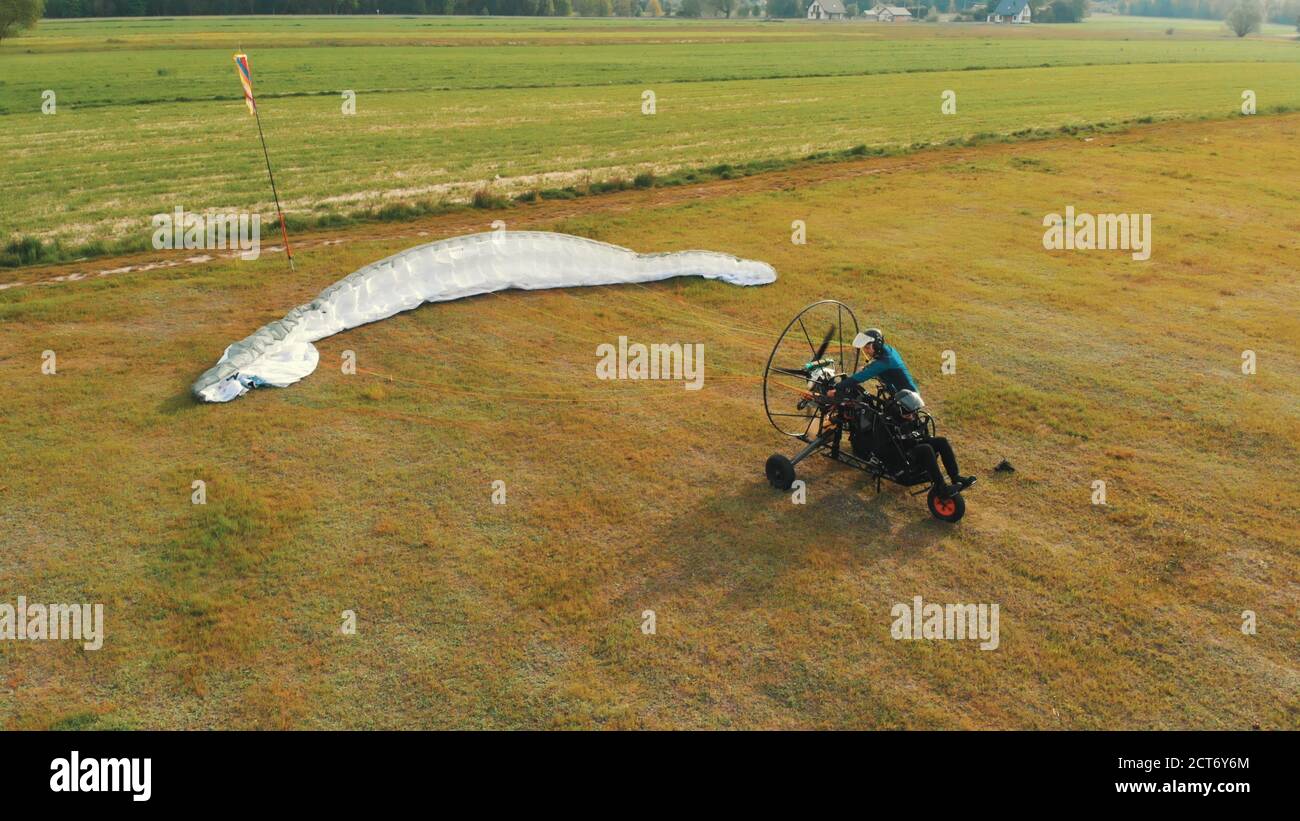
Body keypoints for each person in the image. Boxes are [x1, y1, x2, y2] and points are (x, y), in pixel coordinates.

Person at [889, 390, 974, 498]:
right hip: (902, 455)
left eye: (913, 412)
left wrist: (918, 435)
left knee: (942, 441)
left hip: (915, 445)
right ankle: (941, 488)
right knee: (926, 449)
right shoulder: (891, 421)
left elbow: (923, 434)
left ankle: (955, 477)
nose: (912, 416)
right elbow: (891, 447)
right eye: (909, 413)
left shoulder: (912, 416)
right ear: (899, 409)